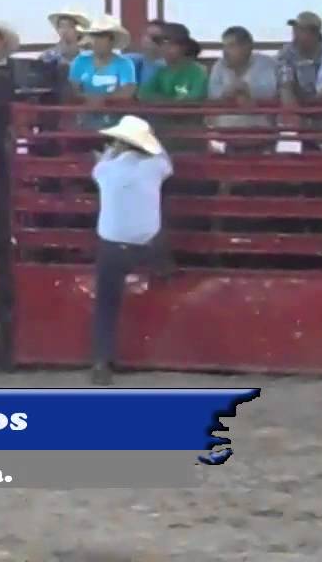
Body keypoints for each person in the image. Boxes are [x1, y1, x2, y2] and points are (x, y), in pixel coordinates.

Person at [89, 115, 172, 385]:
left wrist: (112, 150)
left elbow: (101, 163)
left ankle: (102, 360)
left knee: (106, 305)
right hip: (146, 246)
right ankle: (165, 267)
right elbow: (165, 160)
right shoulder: (156, 166)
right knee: (160, 224)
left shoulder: (105, 170)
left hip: (112, 247)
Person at [137, 23, 207, 102]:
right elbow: (143, 94)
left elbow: (194, 98)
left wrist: (162, 99)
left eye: (171, 43)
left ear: (184, 47)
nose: (165, 47)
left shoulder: (197, 72)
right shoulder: (161, 72)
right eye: (161, 43)